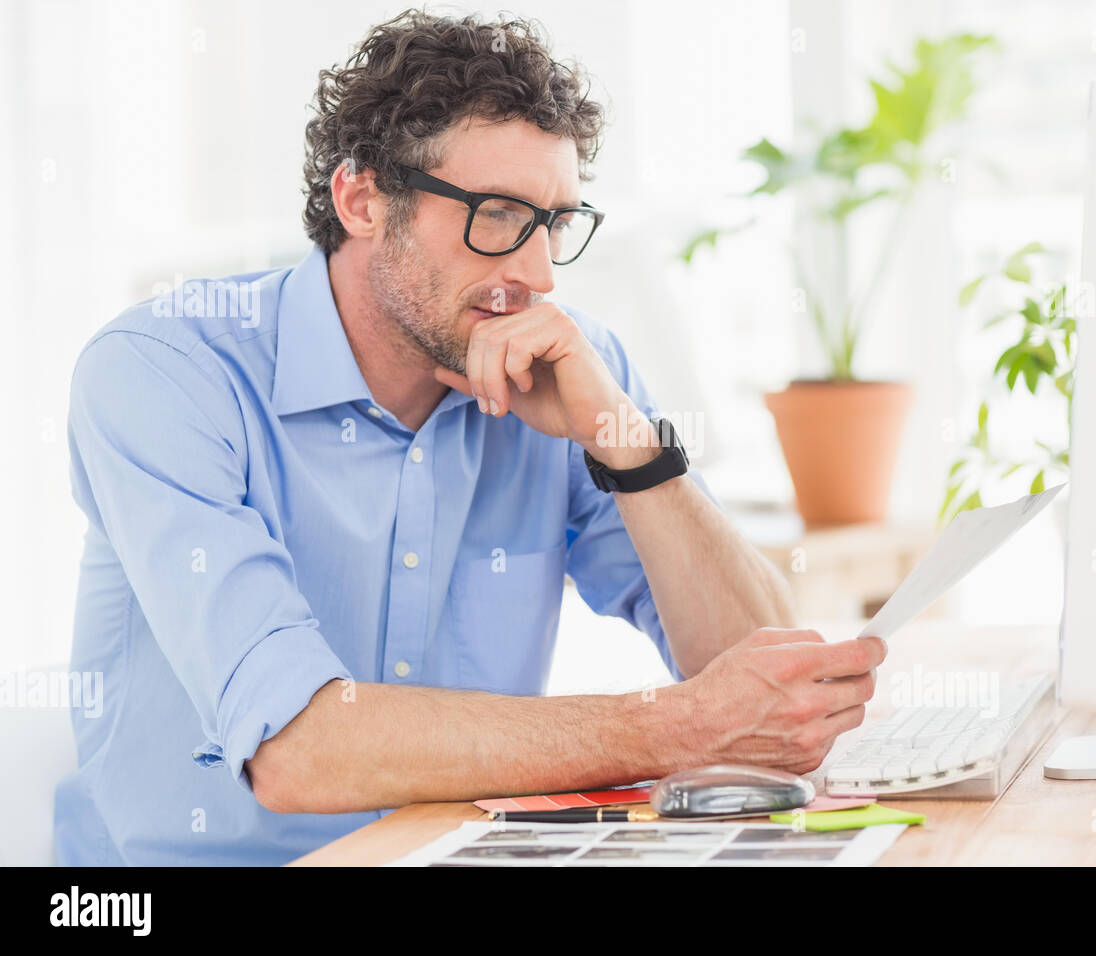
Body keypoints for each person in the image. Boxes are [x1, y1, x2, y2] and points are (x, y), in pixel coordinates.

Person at [55, 9, 886, 866]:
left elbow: (762, 679)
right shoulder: (163, 374)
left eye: (555, 223)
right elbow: (295, 749)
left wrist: (626, 444)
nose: (536, 274)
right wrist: (676, 727)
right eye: (496, 215)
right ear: (362, 198)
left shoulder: (568, 368)